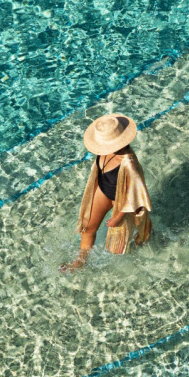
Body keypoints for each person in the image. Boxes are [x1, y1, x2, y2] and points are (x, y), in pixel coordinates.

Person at [63, 113, 152, 272]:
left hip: (122, 200)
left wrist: (117, 216)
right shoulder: (104, 150)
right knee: (87, 227)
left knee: (122, 244)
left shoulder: (129, 163)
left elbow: (137, 194)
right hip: (104, 190)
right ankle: (81, 261)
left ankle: (145, 244)